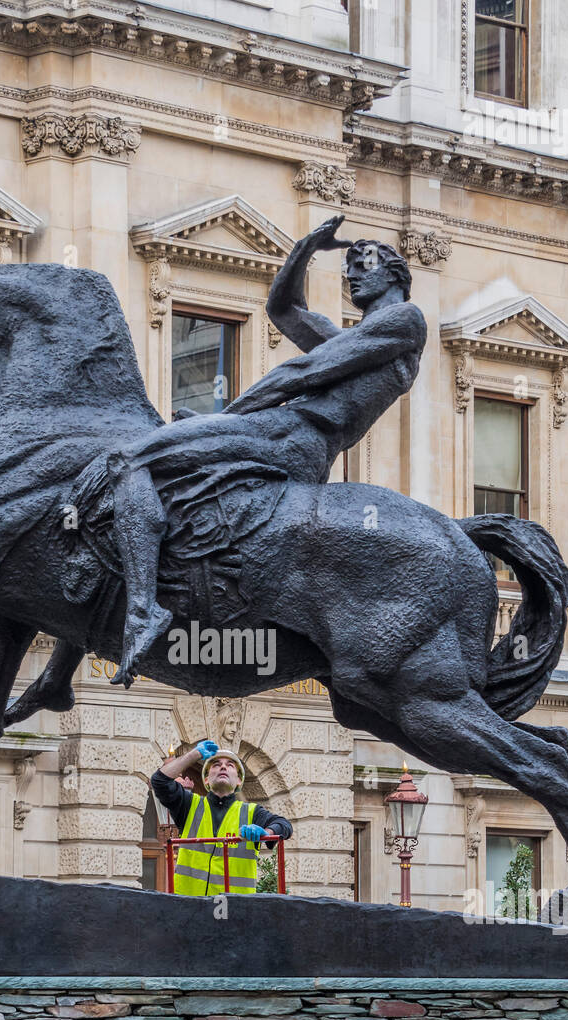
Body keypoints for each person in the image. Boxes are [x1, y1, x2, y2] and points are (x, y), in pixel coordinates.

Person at [106, 214, 427, 685]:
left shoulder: (403, 321)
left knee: (129, 459)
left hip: (287, 436)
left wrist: (226, 421)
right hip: (285, 435)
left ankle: (140, 611)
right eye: (349, 266)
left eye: (364, 263)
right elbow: (284, 311)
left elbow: (298, 375)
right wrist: (304, 250)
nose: (352, 273)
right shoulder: (357, 340)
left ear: (395, 274)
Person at [151, 739, 292, 896]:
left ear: (239, 781)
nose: (223, 766)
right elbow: (159, 781)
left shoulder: (252, 813)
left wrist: (267, 833)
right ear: (206, 780)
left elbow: (284, 825)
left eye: (230, 765)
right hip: (189, 908)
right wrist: (193, 755)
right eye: (216, 765)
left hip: (234, 910)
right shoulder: (189, 805)